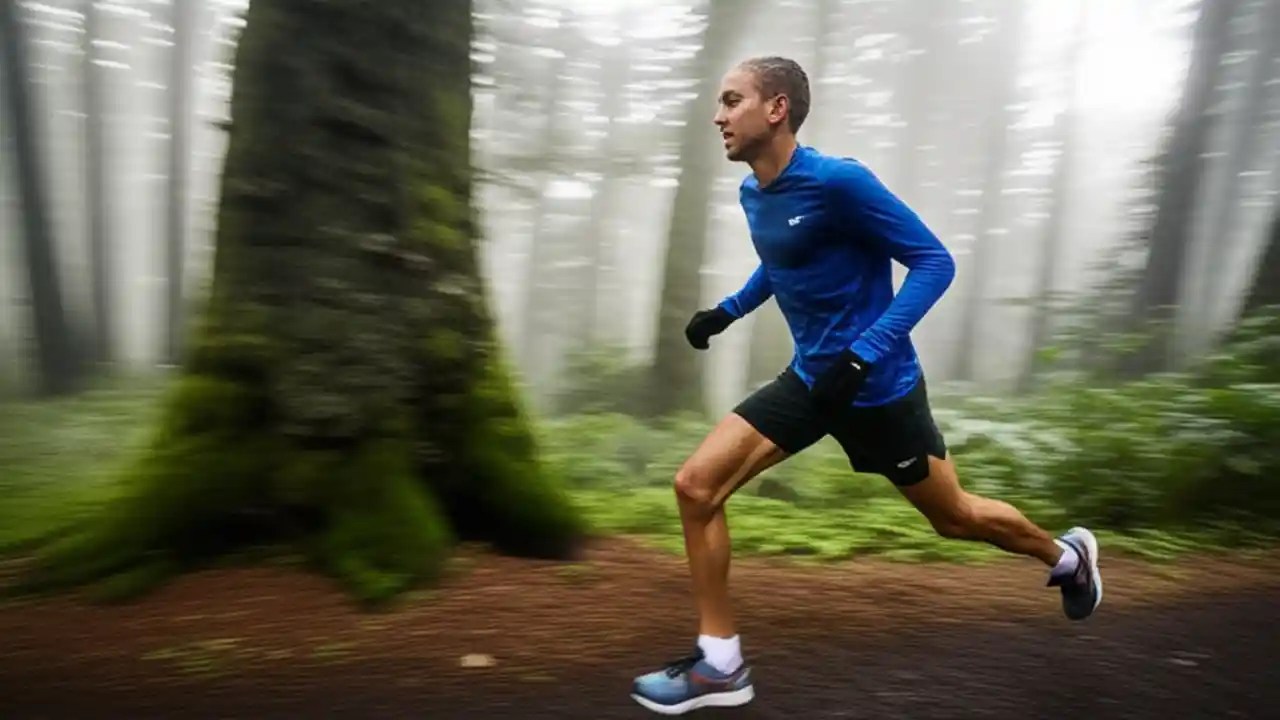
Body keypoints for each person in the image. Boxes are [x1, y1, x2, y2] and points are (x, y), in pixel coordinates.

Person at [629, 55, 1103, 716]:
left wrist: (865, 353)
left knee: (954, 518)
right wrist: (728, 310)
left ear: (777, 109)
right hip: (810, 383)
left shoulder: (838, 182)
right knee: (695, 487)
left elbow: (934, 262)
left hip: (879, 390)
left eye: (732, 101)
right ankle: (720, 663)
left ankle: (1067, 557)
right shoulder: (753, 194)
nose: (718, 116)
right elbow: (783, 261)